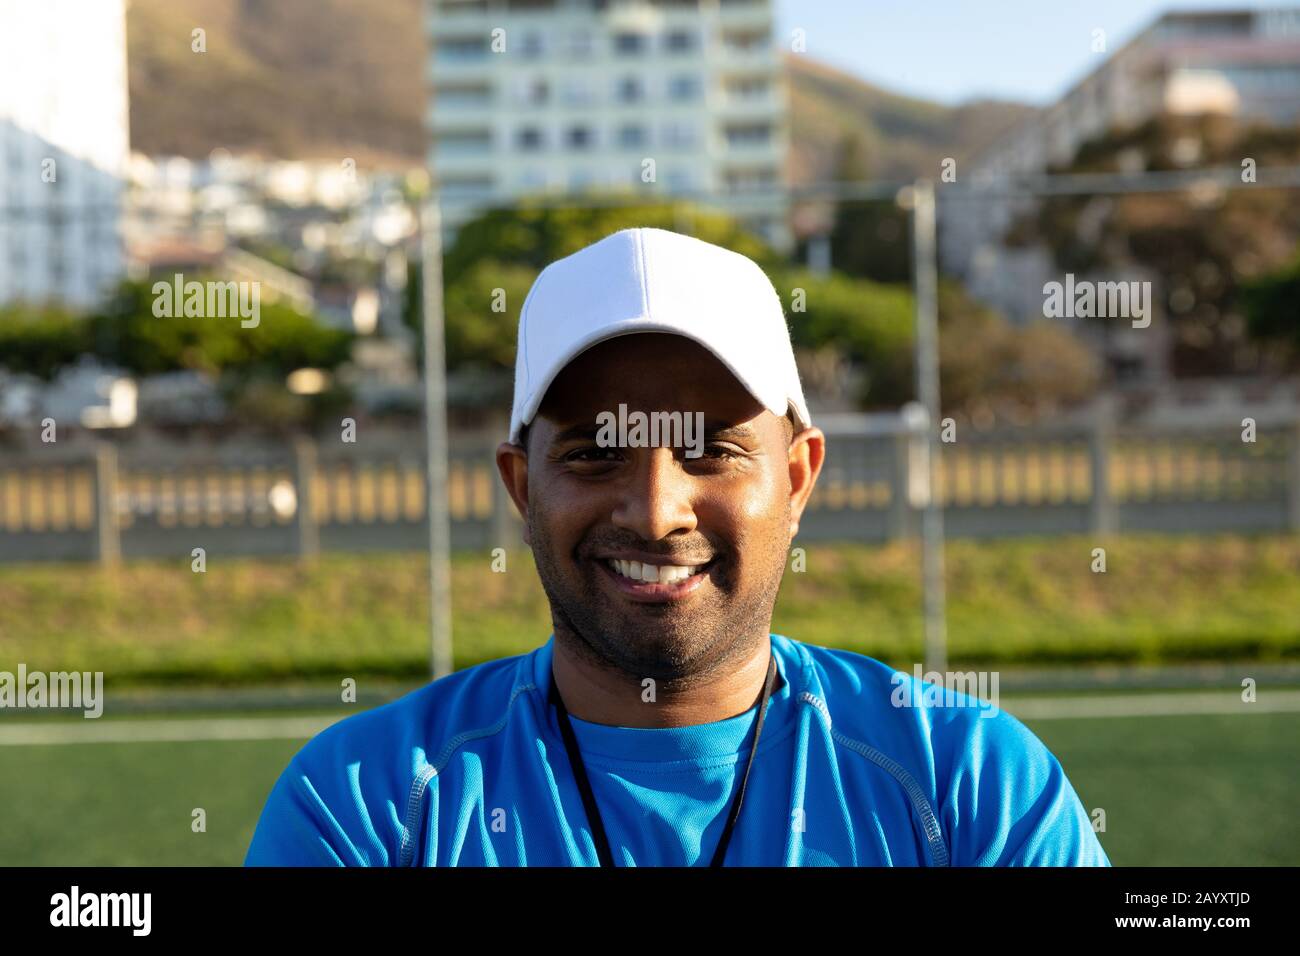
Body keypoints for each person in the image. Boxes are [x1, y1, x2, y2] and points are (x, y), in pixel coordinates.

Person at [245, 227, 1109, 867]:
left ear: (799, 478)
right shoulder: (365, 807)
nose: (656, 512)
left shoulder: (971, 784)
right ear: (521, 487)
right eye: (593, 453)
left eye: (710, 450)